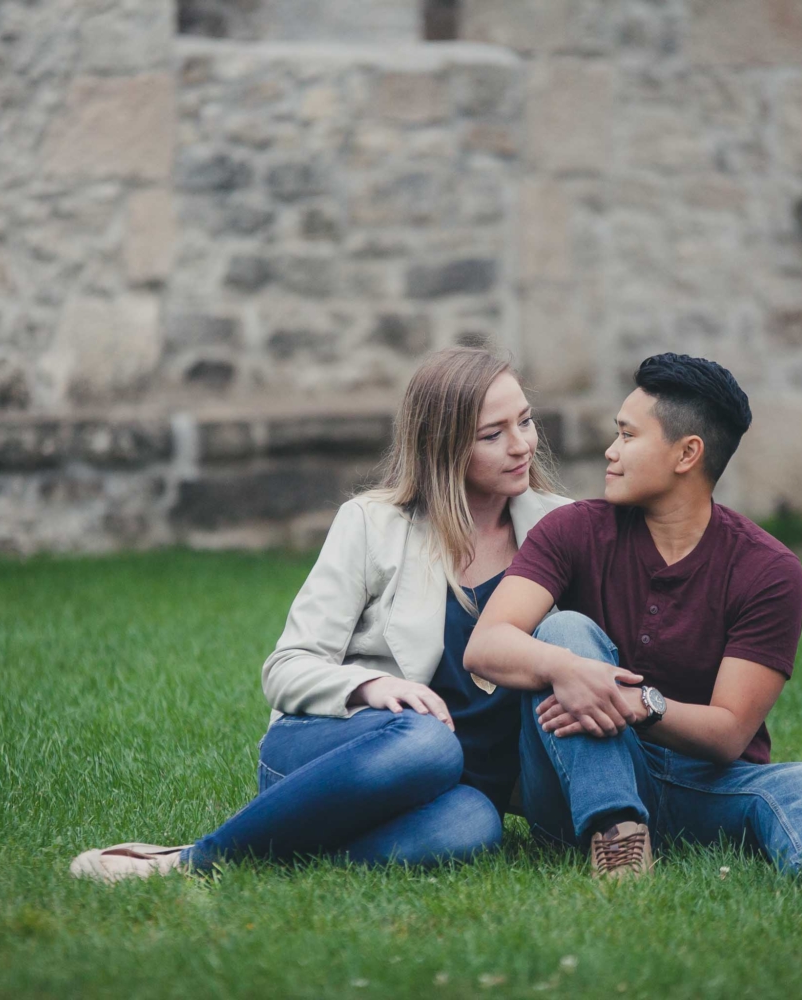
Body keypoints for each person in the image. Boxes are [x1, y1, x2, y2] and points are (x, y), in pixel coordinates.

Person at [70, 346, 571, 881]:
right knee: (430, 741)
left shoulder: (560, 528)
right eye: (492, 435)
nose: (521, 445)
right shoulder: (372, 525)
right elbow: (285, 668)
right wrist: (369, 689)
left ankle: (270, 855)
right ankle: (193, 862)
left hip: (461, 787)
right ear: (442, 446)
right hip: (339, 751)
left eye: (525, 421)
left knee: (475, 826)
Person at [464, 353, 802, 880]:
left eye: (627, 436)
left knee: (800, 781)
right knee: (563, 632)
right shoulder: (573, 531)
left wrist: (636, 703)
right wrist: (567, 670)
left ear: (687, 454)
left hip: (700, 787)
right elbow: (486, 645)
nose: (610, 450)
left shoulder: (768, 570)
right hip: (574, 788)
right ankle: (618, 836)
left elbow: (729, 733)